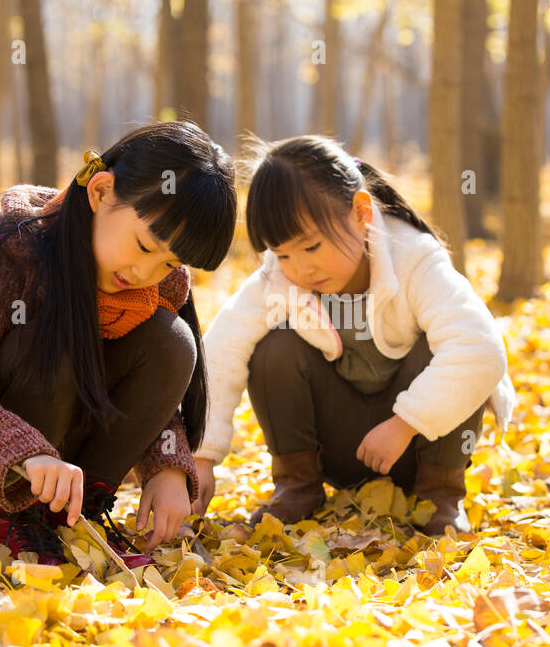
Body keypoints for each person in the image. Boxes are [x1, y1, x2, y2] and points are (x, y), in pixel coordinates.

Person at [0, 121, 237, 565]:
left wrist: (167, 466)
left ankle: (75, 519)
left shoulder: (156, 284)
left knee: (172, 341)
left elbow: (155, 386)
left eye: (169, 262)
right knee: (56, 334)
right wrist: (25, 455)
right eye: (143, 245)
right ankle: (6, 522)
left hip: (63, 469)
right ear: (100, 192)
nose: (146, 272)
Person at [190, 135, 515, 535]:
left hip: (418, 448)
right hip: (341, 450)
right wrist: (201, 456)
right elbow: (222, 350)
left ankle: (440, 499)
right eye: (284, 253)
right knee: (273, 346)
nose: (301, 268)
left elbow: (480, 348)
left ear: (361, 212)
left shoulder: (414, 257)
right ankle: (299, 487)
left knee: (446, 347)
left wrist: (404, 424)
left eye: (311, 246)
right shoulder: (280, 279)